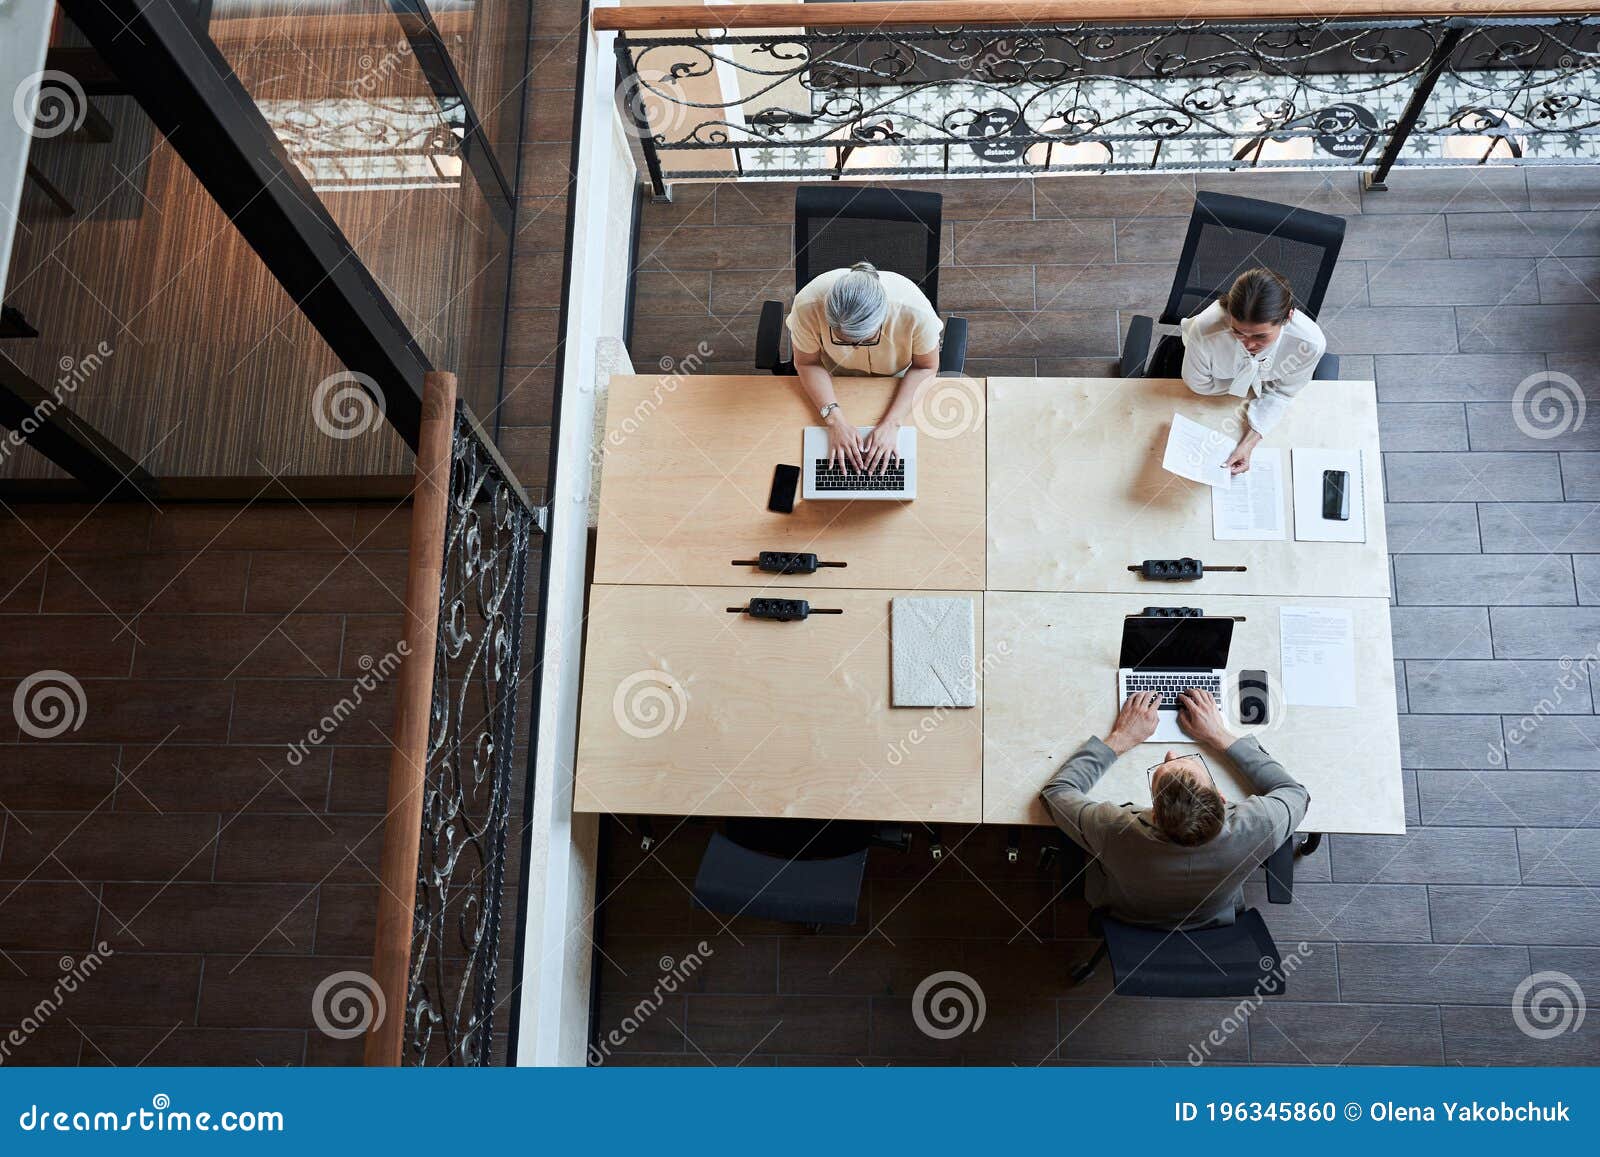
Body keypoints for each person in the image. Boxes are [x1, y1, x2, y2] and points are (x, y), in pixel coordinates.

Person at [1040, 688, 1309, 930]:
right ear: (1221, 797)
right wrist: (1219, 735)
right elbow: (1296, 793)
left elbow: (1057, 793)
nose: (1171, 755)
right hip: (1214, 920)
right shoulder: (1258, 826)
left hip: (1128, 916)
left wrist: (1121, 738)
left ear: (1154, 814)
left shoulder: (1114, 830)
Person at [786, 261, 942, 474]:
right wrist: (834, 421)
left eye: (864, 340)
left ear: (882, 321)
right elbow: (807, 362)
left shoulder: (915, 312)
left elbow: (926, 367)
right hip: (835, 379)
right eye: (843, 341)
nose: (854, 348)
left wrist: (892, 424)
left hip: (898, 379)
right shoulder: (807, 305)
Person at [1179, 266, 1327, 475]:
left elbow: (1282, 393)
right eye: (1238, 332)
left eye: (1260, 336)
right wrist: (1255, 385)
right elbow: (1198, 384)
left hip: (1230, 395)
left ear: (1288, 317)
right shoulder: (1205, 332)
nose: (1248, 344)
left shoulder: (1309, 344)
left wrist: (1248, 443)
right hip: (1212, 399)